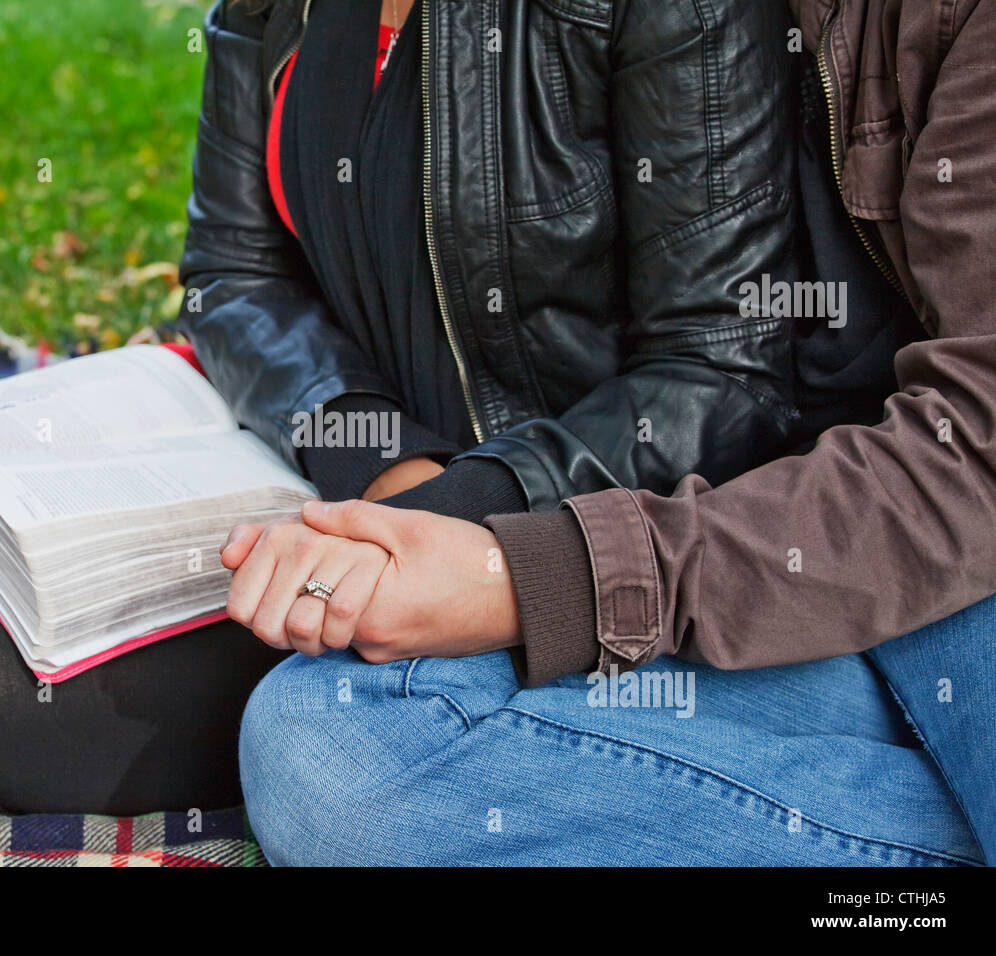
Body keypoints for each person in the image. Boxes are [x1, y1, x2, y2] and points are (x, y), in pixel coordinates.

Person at [0, 0, 827, 818]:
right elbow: (234, 271)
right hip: (329, 460)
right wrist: (376, 462)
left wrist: (457, 513)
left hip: (534, 515)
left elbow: (724, 368)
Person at [231, 0, 996, 865]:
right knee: (326, 739)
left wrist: (530, 576)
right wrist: (394, 473)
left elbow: (973, 456)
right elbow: (236, 266)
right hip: (813, 542)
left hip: (958, 551)